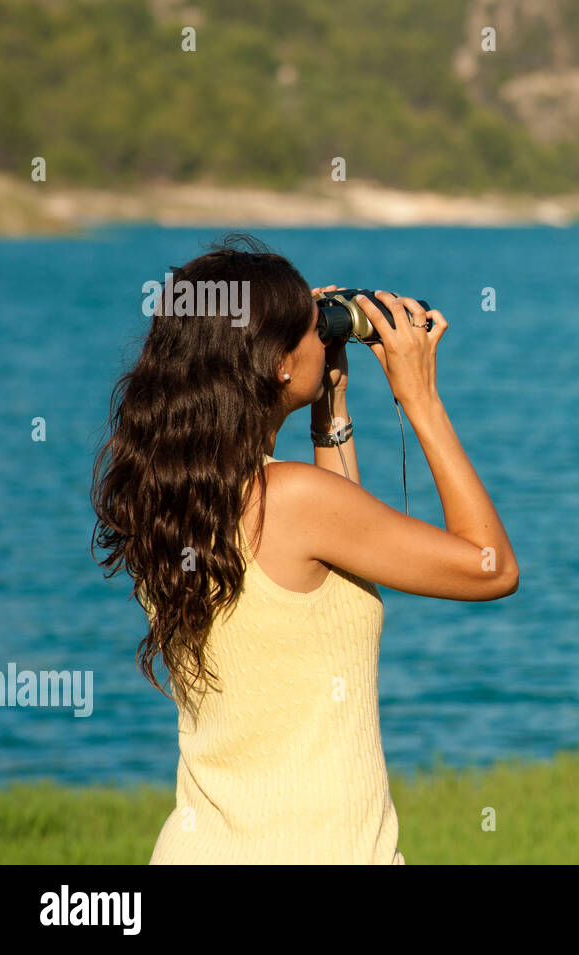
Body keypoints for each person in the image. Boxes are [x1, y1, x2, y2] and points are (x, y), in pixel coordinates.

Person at [90, 234, 518, 863]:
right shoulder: (292, 499)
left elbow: (342, 557)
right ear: (277, 363)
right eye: (314, 329)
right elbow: (491, 568)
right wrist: (420, 396)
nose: (327, 336)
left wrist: (331, 409)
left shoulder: (169, 501)